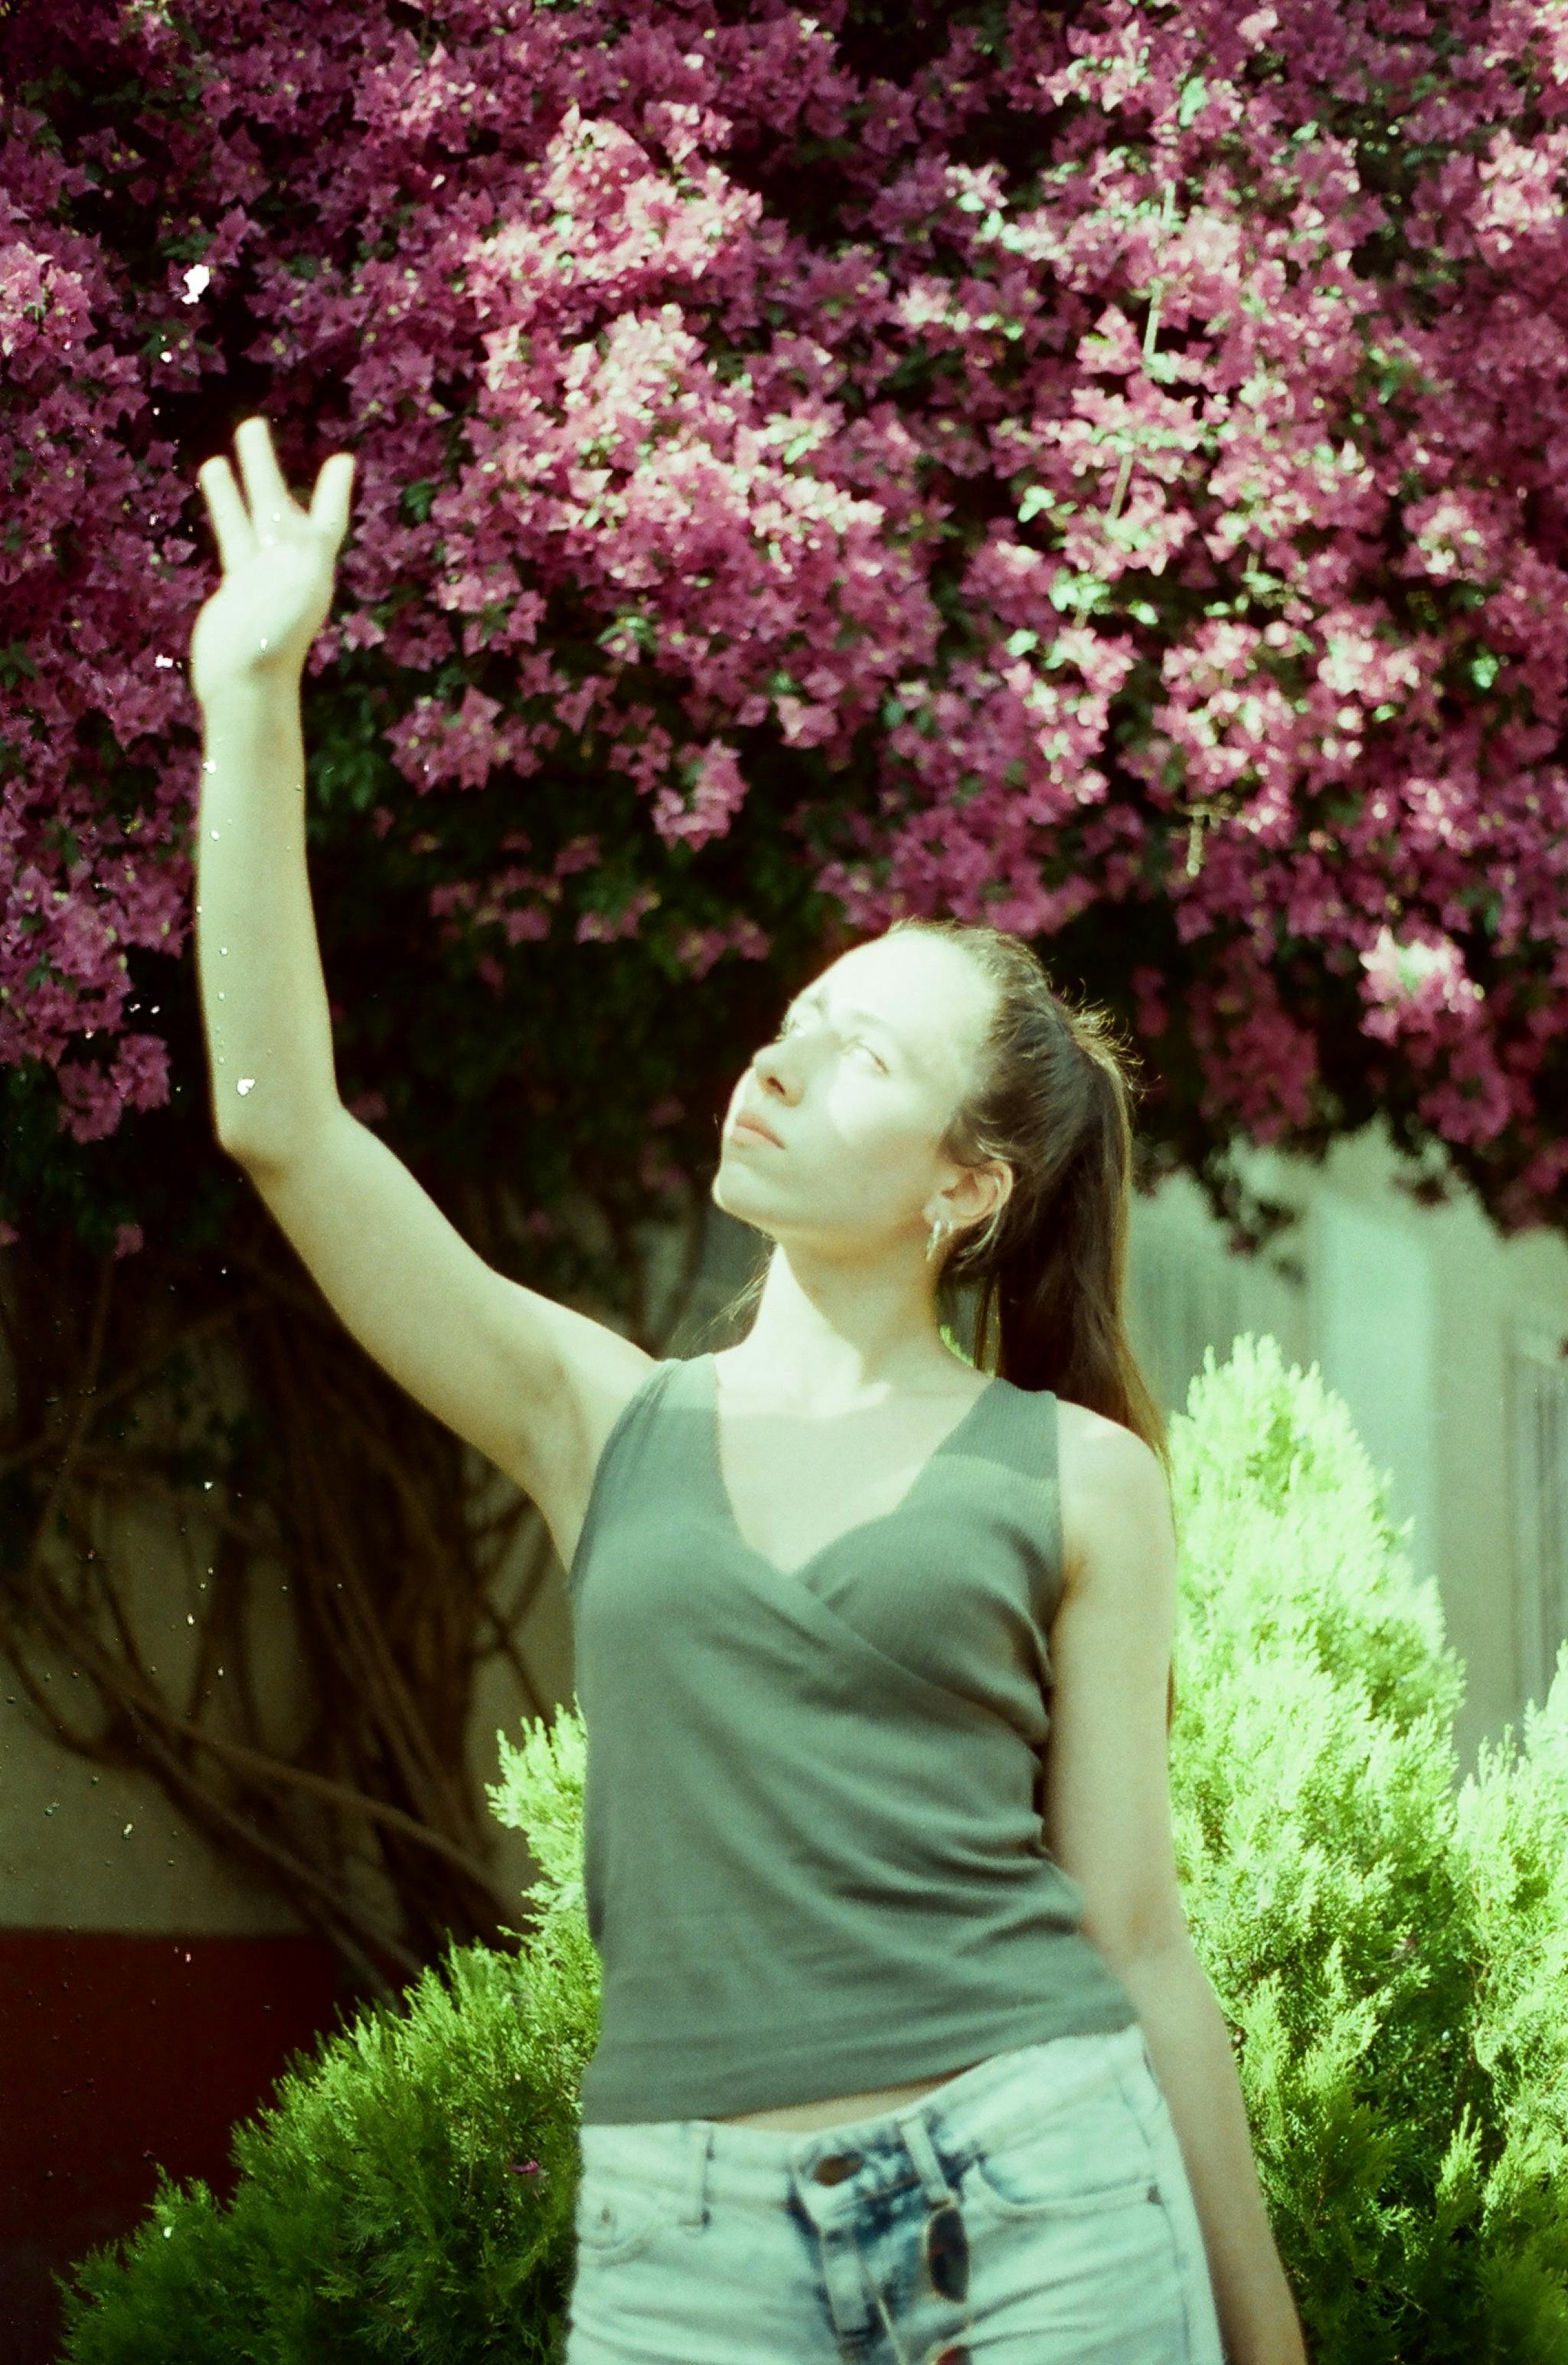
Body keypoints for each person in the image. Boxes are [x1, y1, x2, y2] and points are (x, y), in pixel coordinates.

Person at [191, 417, 1297, 2363]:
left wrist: (1265, 2334)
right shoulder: (602, 1420)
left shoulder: (1077, 1478)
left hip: (1040, 2192)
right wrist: (252, 699)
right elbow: (283, 1123)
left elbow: (1133, 1930)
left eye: (857, 1057)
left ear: (965, 1186)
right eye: (793, 1021)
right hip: (685, 2243)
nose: (776, 1061)